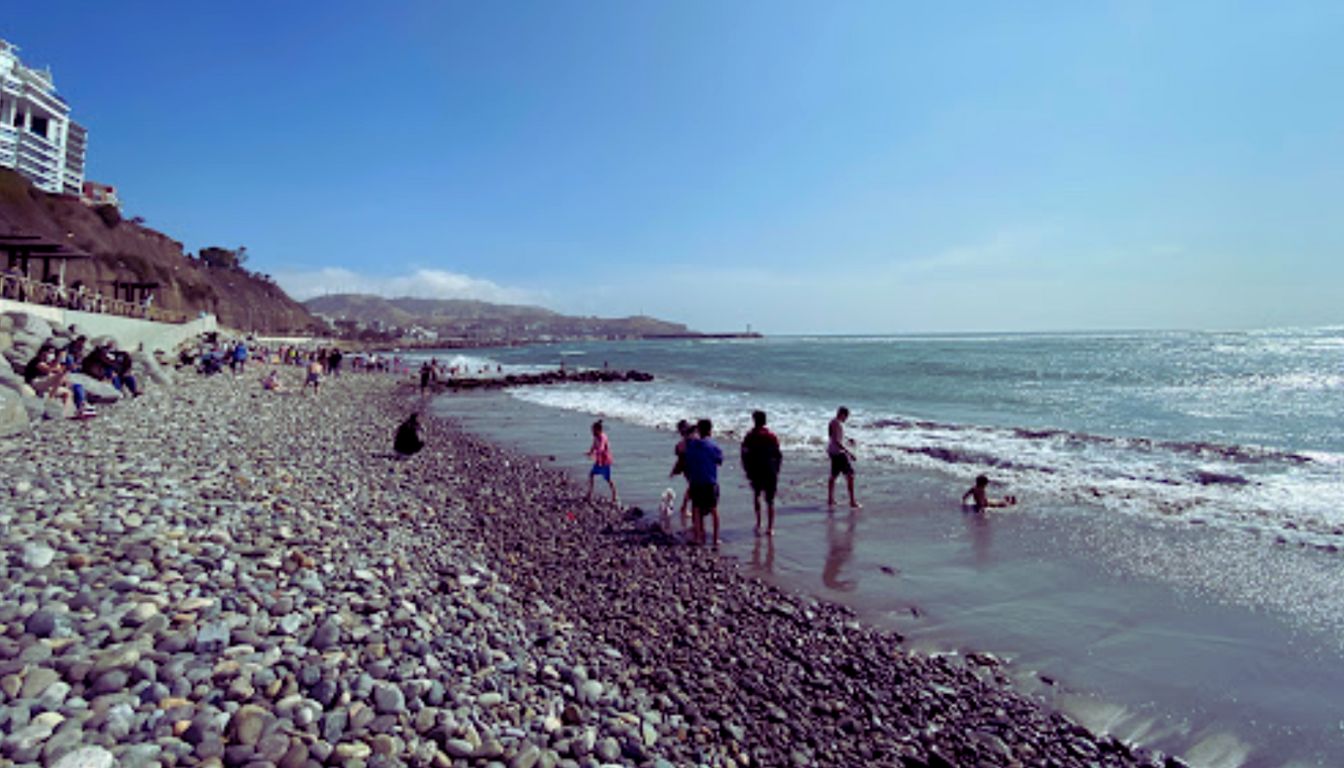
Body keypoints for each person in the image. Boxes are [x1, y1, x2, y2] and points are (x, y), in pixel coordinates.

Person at [741, 410, 783, 535]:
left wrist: (747, 469)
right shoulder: (771, 436)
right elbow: (778, 455)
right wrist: (777, 469)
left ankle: (759, 523)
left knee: (757, 495)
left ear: (754, 421)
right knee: (770, 500)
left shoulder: (749, 436)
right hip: (770, 470)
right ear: (765, 421)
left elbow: (744, 454)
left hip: (755, 470)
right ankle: (770, 527)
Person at [683, 418, 724, 545]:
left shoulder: (692, 445)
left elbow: (686, 457)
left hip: (696, 480)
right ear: (710, 430)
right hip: (709, 480)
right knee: (713, 509)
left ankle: (697, 536)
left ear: (699, 430)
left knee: (696, 509)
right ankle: (716, 538)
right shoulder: (714, 446)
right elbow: (719, 461)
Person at [827, 406, 860, 508]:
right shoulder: (837, 424)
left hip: (832, 451)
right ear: (842, 414)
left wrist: (848, 439)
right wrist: (849, 453)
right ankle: (852, 502)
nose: (846, 419)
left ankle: (830, 499)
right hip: (838, 453)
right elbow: (837, 441)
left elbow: (835, 436)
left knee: (833, 476)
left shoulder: (833, 422)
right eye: (846, 416)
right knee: (850, 475)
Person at [585, 420, 618, 504]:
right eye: (592, 430)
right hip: (599, 460)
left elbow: (601, 448)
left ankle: (614, 495)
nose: (592, 432)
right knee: (591, 474)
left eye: (593, 430)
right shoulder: (595, 437)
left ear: (599, 430)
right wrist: (590, 452)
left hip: (605, 461)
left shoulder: (603, 437)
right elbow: (593, 445)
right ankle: (589, 494)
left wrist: (595, 454)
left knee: (608, 479)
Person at [669, 419, 697, 517]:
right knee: (693, 488)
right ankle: (687, 509)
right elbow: (680, 460)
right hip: (689, 468)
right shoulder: (682, 445)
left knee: (692, 488)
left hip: (691, 468)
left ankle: (684, 507)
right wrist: (675, 470)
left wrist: (674, 471)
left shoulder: (683, 444)